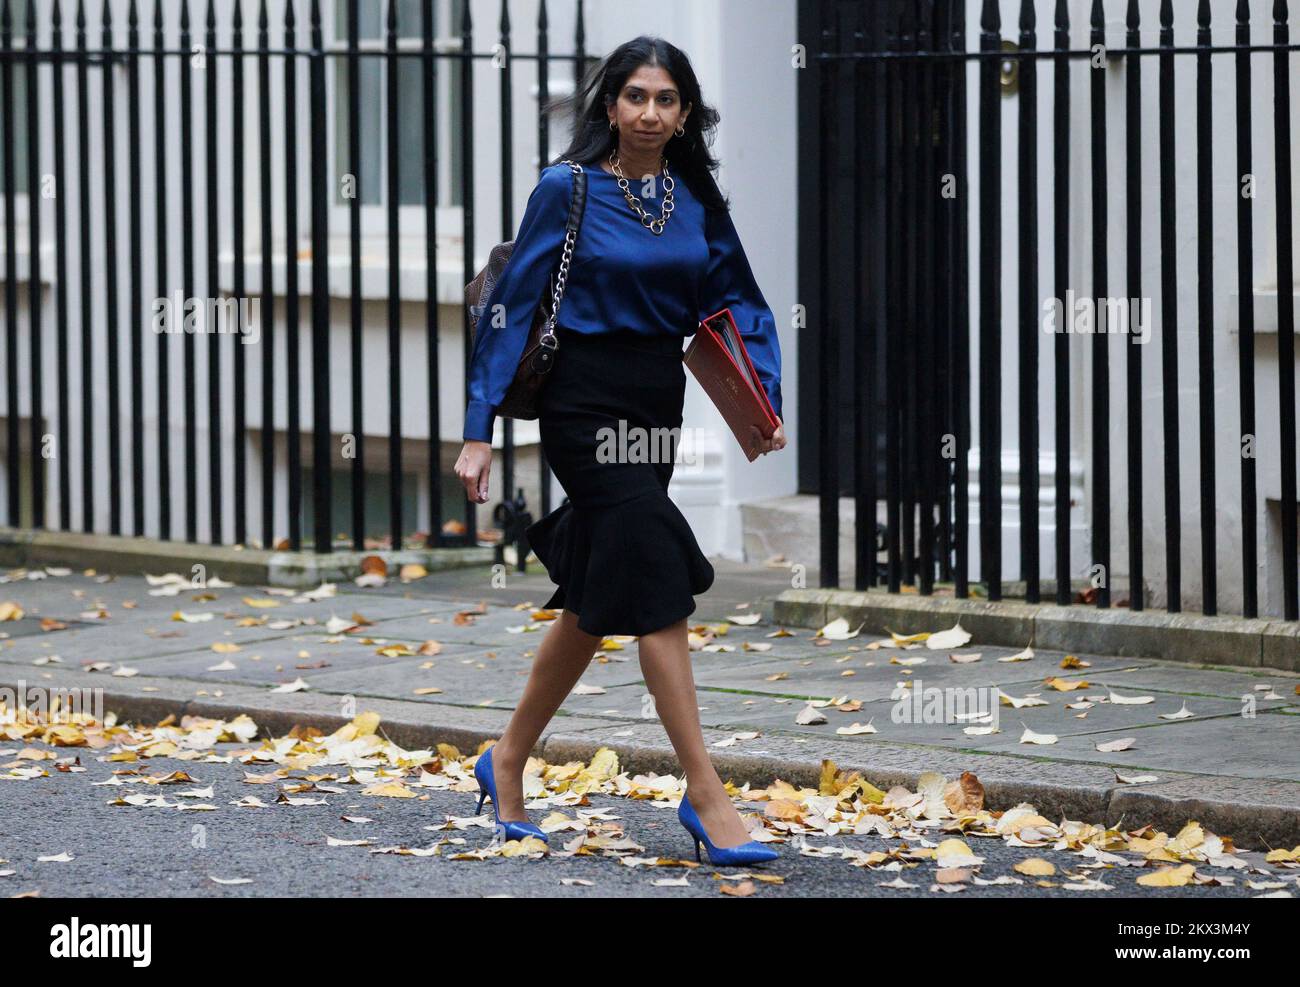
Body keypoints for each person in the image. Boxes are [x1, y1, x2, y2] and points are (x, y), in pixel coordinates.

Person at [455, 36, 786, 864]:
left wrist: (763, 396)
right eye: (635, 96)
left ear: (683, 114)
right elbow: (509, 308)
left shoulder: (696, 201)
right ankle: (706, 793)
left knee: (602, 585)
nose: (648, 112)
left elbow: (739, 301)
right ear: (610, 105)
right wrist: (476, 429)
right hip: (582, 395)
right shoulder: (565, 190)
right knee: (652, 567)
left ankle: (505, 758)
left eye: (665, 99)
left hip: (654, 398)